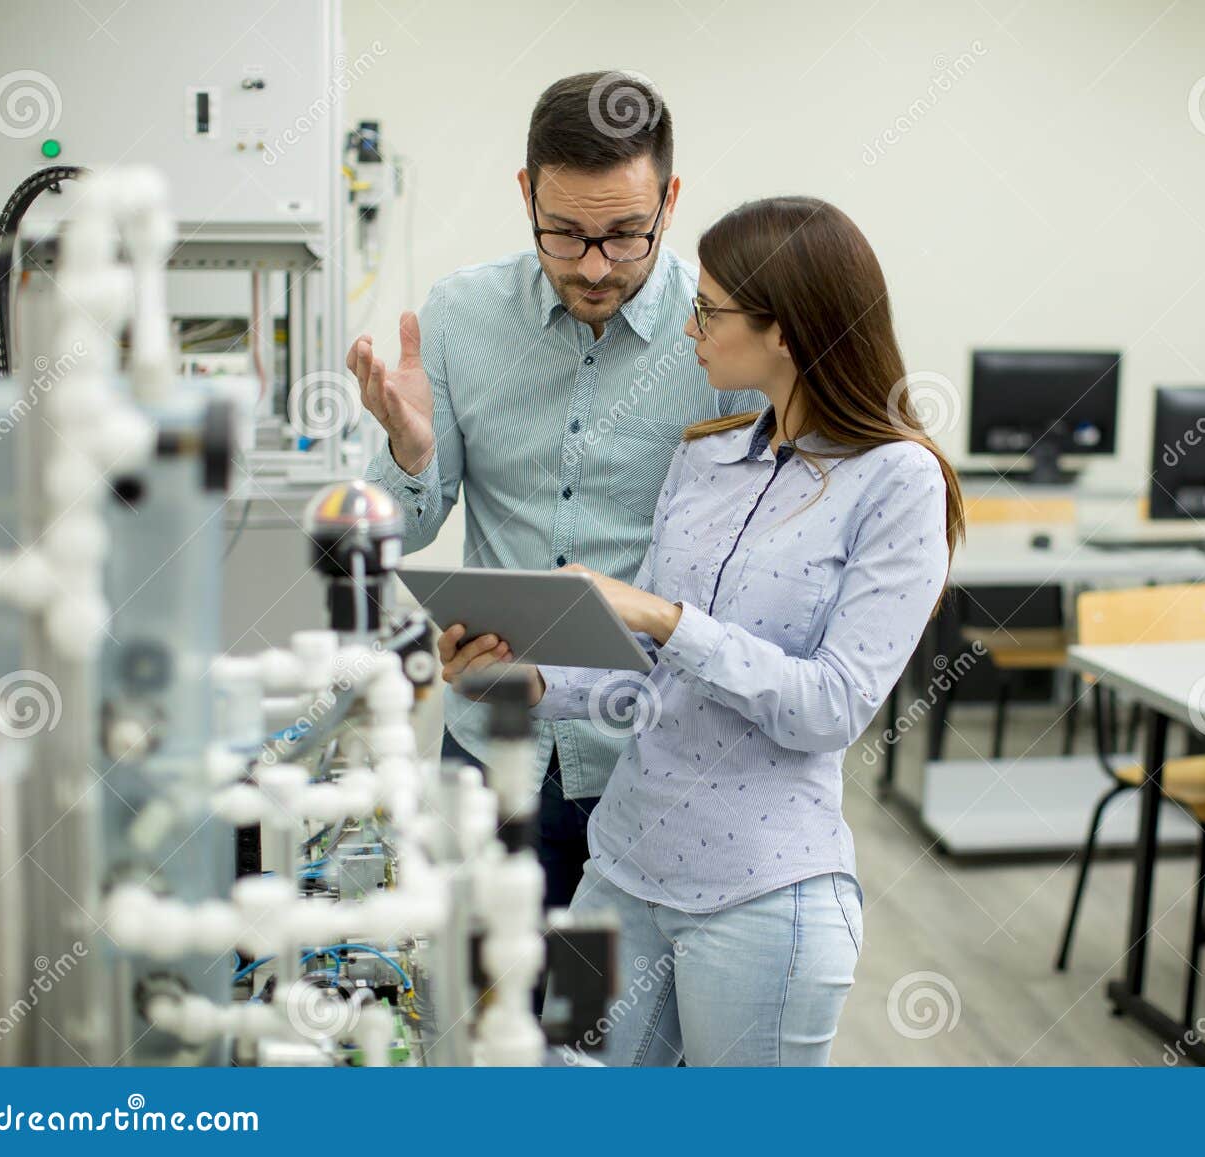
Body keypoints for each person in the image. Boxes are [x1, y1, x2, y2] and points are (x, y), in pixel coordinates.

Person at [444, 196, 965, 1065]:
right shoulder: (705, 455)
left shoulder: (897, 482)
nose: (691, 324)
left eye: (711, 309)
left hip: (763, 893)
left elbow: (830, 708)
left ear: (787, 332)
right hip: (618, 868)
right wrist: (522, 679)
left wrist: (668, 618)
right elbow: (643, 672)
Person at [347, 72, 763, 908]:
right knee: (493, 1005)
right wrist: (410, 451)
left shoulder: (723, 339)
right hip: (494, 742)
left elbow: (747, 570)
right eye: (565, 234)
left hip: (653, 758)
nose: (597, 266)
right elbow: (407, 528)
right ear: (526, 193)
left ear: (670, 200)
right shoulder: (461, 316)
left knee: (616, 1021)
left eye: (625, 235)